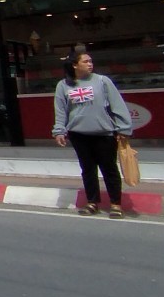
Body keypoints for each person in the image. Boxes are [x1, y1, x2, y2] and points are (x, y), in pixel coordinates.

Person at [52, 46, 133, 219]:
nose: (90, 64)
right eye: (85, 61)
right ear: (75, 65)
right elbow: (61, 111)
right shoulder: (63, 85)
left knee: (109, 168)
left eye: (91, 61)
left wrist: (123, 128)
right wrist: (59, 130)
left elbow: (117, 105)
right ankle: (92, 202)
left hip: (104, 133)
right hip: (78, 134)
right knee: (87, 169)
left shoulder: (102, 81)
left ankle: (115, 204)